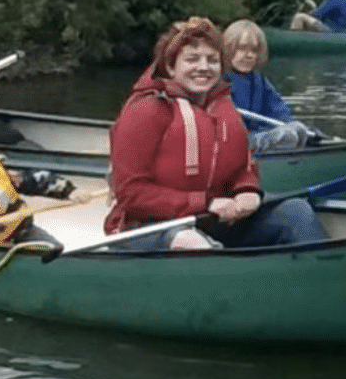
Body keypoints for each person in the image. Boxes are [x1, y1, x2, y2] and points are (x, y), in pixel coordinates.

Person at [107, 17, 327, 251]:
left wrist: (248, 190)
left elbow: (244, 166)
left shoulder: (223, 106)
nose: (204, 67)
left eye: (212, 60)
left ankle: (321, 270)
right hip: (147, 226)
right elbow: (131, 194)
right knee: (189, 242)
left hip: (211, 218)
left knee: (296, 212)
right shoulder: (146, 109)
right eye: (192, 59)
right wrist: (204, 202)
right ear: (171, 67)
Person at [221, 19, 315, 152]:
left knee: (298, 129)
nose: (249, 55)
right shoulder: (221, 79)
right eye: (242, 48)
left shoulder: (259, 80)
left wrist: (289, 124)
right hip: (232, 140)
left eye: (254, 50)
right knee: (286, 135)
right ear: (228, 48)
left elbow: (277, 108)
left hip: (255, 133)